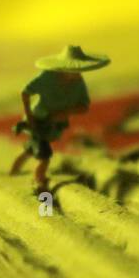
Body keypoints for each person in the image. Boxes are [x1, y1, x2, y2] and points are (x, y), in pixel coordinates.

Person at [10, 45, 109, 193]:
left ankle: (13, 172)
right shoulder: (47, 77)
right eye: (73, 69)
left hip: (54, 124)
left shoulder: (79, 83)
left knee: (31, 149)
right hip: (38, 120)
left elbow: (84, 106)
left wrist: (67, 111)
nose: (77, 73)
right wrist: (29, 114)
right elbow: (25, 92)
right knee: (44, 155)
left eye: (79, 70)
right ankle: (39, 179)